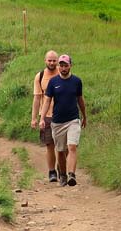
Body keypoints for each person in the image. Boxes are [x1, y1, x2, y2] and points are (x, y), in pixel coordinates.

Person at [44, 54, 87, 186]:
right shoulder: (53, 82)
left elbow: (80, 99)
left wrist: (84, 115)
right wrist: (42, 118)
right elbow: (47, 101)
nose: (63, 68)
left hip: (73, 120)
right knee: (61, 151)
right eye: (61, 65)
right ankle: (62, 174)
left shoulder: (76, 81)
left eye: (65, 65)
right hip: (57, 122)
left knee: (72, 146)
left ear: (70, 66)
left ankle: (71, 174)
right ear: (59, 66)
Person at [30, 50, 60, 182]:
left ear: (57, 61)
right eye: (49, 60)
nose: (52, 63)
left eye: (54, 60)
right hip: (46, 115)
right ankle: (52, 171)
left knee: (63, 146)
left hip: (62, 115)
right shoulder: (40, 76)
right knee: (50, 145)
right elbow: (37, 99)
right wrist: (34, 118)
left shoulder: (63, 73)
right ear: (45, 61)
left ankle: (62, 168)